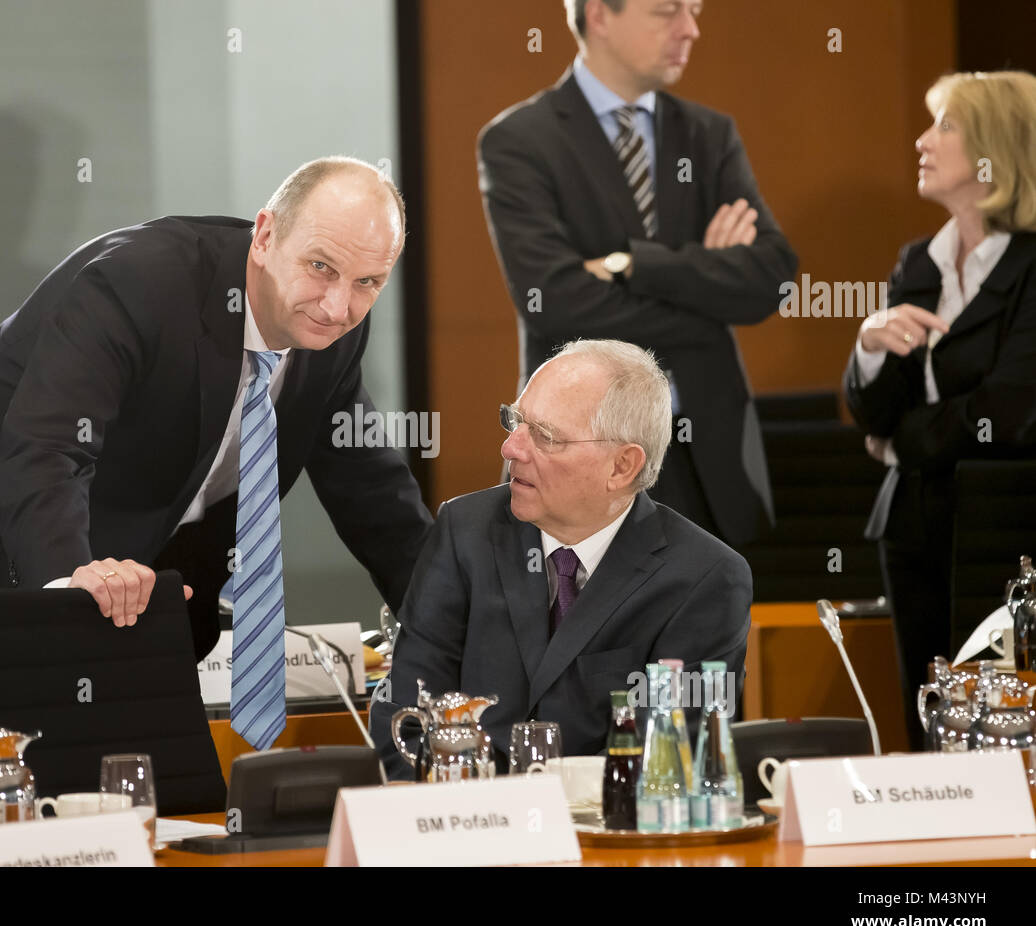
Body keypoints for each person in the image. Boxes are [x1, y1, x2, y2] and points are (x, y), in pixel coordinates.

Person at [0, 157, 434, 746]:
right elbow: (47, 447)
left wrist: (450, 618)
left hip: (124, 552)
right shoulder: (142, 280)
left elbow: (373, 493)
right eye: (321, 267)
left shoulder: (332, 333)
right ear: (266, 234)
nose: (338, 306)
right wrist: (70, 581)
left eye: (367, 283)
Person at [477, 0, 797, 547]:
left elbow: (772, 279)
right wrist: (710, 299)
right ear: (599, 14)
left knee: (718, 628)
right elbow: (555, 303)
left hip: (713, 454)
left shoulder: (708, 134)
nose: (691, 29)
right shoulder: (520, 140)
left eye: (694, 11)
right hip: (582, 451)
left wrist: (633, 264)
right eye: (668, 11)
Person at [369, 339, 752, 779]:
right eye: (514, 421)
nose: (510, 449)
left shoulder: (705, 578)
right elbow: (406, 711)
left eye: (545, 436)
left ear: (622, 466)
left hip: (607, 836)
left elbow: (672, 761)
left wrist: (550, 819)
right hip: (468, 826)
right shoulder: (465, 531)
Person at [843, 71, 1036, 749]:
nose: (923, 141)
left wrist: (899, 446)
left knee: (999, 729)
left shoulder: (1032, 266)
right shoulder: (916, 261)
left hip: (1006, 527)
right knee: (925, 722)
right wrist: (869, 346)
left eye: (945, 126)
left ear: (995, 149)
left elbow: (1008, 411)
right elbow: (871, 412)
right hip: (913, 525)